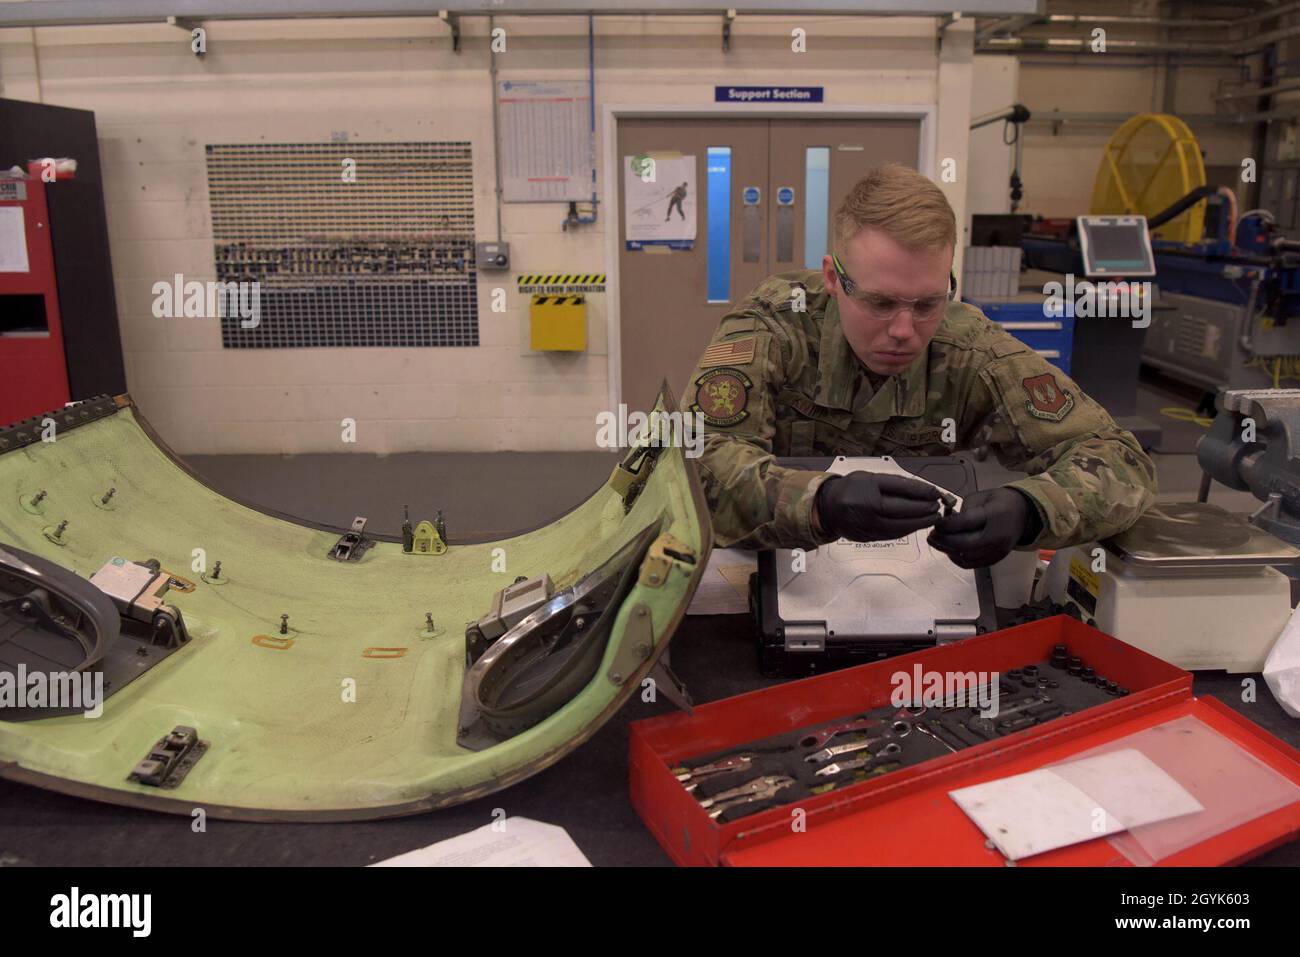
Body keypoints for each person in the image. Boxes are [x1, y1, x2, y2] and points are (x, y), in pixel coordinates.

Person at [680, 163, 1156, 568]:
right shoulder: (775, 329)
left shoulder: (970, 349)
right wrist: (820, 502)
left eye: (928, 303)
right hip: (765, 564)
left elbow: (1121, 460)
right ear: (833, 279)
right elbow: (693, 465)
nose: (905, 329)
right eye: (881, 303)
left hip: (916, 578)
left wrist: (1029, 508)